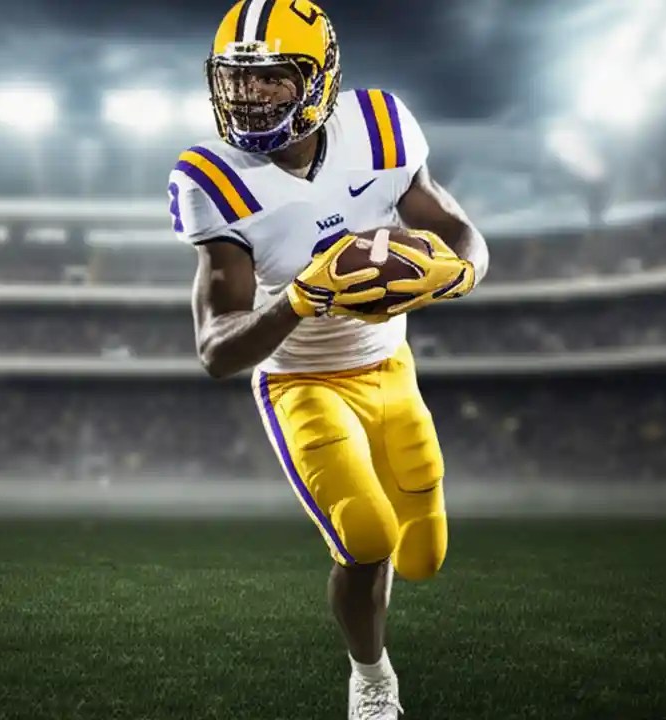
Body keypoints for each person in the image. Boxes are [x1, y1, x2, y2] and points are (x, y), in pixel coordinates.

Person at [167, 2, 490, 717]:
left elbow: (458, 231)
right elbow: (217, 351)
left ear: (319, 78)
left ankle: (379, 594)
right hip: (300, 380)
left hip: (389, 366)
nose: (249, 99)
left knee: (423, 556)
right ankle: (371, 678)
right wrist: (302, 299)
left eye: (272, 80)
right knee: (366, 536)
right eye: (237, 82)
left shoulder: (379, 128)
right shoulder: (213, 179)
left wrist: (460, 274)